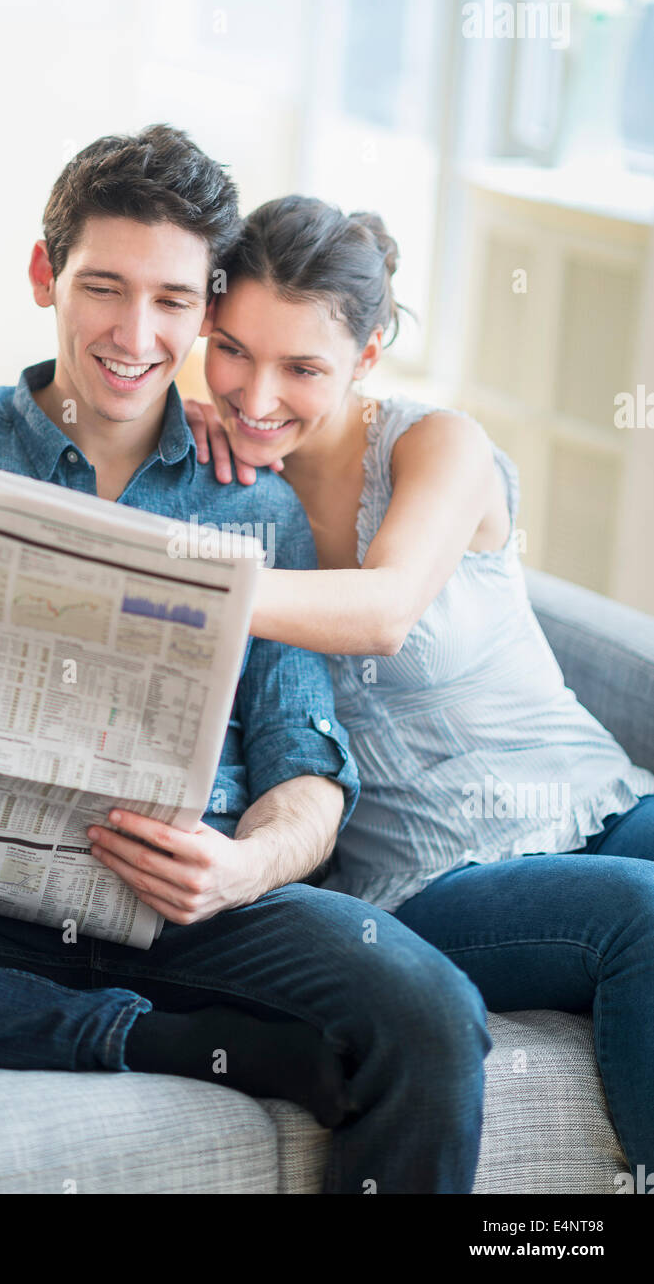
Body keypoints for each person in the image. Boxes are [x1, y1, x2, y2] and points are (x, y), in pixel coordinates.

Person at [0, 129, 491, 1195]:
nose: (133, 331)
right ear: (45, 276)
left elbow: (306, 759)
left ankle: (142, 1009)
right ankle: (133, 1037)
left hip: (179, 915)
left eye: (171, 300)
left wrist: (246, 867)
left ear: (206, 310)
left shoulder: (254, 502)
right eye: (103, 288)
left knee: (430, 1013)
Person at [184, 193, 654, 1178]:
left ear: (367, 353)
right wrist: (176, 473)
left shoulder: (436, 445)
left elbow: (386, 605)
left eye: (301, 367)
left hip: (594, 798)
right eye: (231, 349)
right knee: (641, 916)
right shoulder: (204, 475)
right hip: (430, 877)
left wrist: (181, 580)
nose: (255, 393)